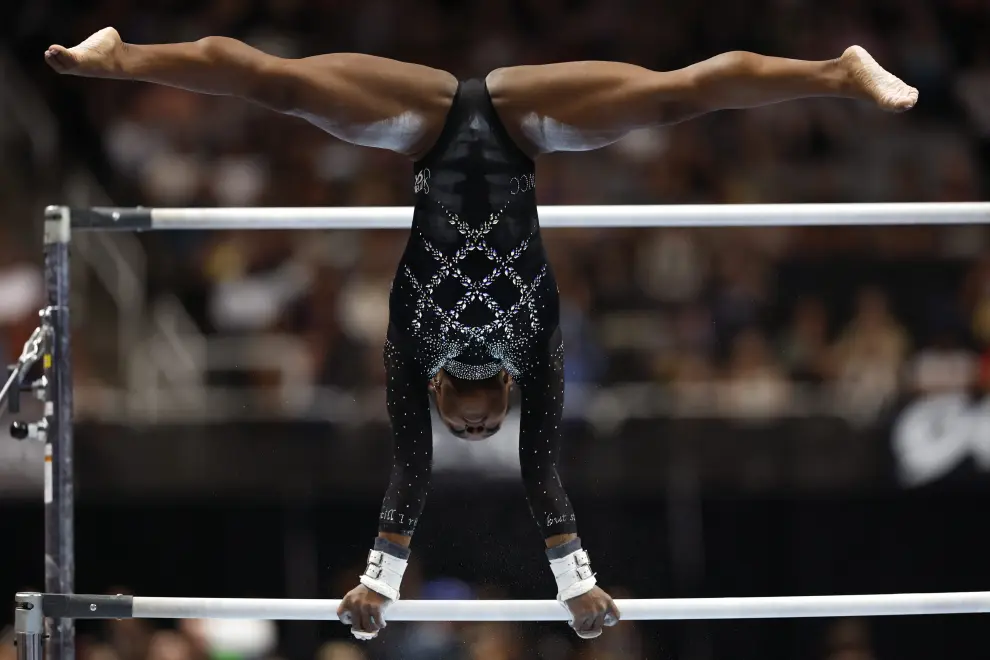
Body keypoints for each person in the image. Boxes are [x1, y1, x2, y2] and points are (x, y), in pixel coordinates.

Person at [45, 27, 917, 641]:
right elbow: (542, 472)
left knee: (282, 84)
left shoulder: (408, 347)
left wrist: (378, 582)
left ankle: (123, 59)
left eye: (463, 429)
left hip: (423, 130)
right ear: (507, 396)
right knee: (672, 97)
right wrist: (579, 587)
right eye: (485, 429)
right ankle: (837, 73)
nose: (475, 430)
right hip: (525, 129)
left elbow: (410, 471)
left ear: (437, 396)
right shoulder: (538, 345)